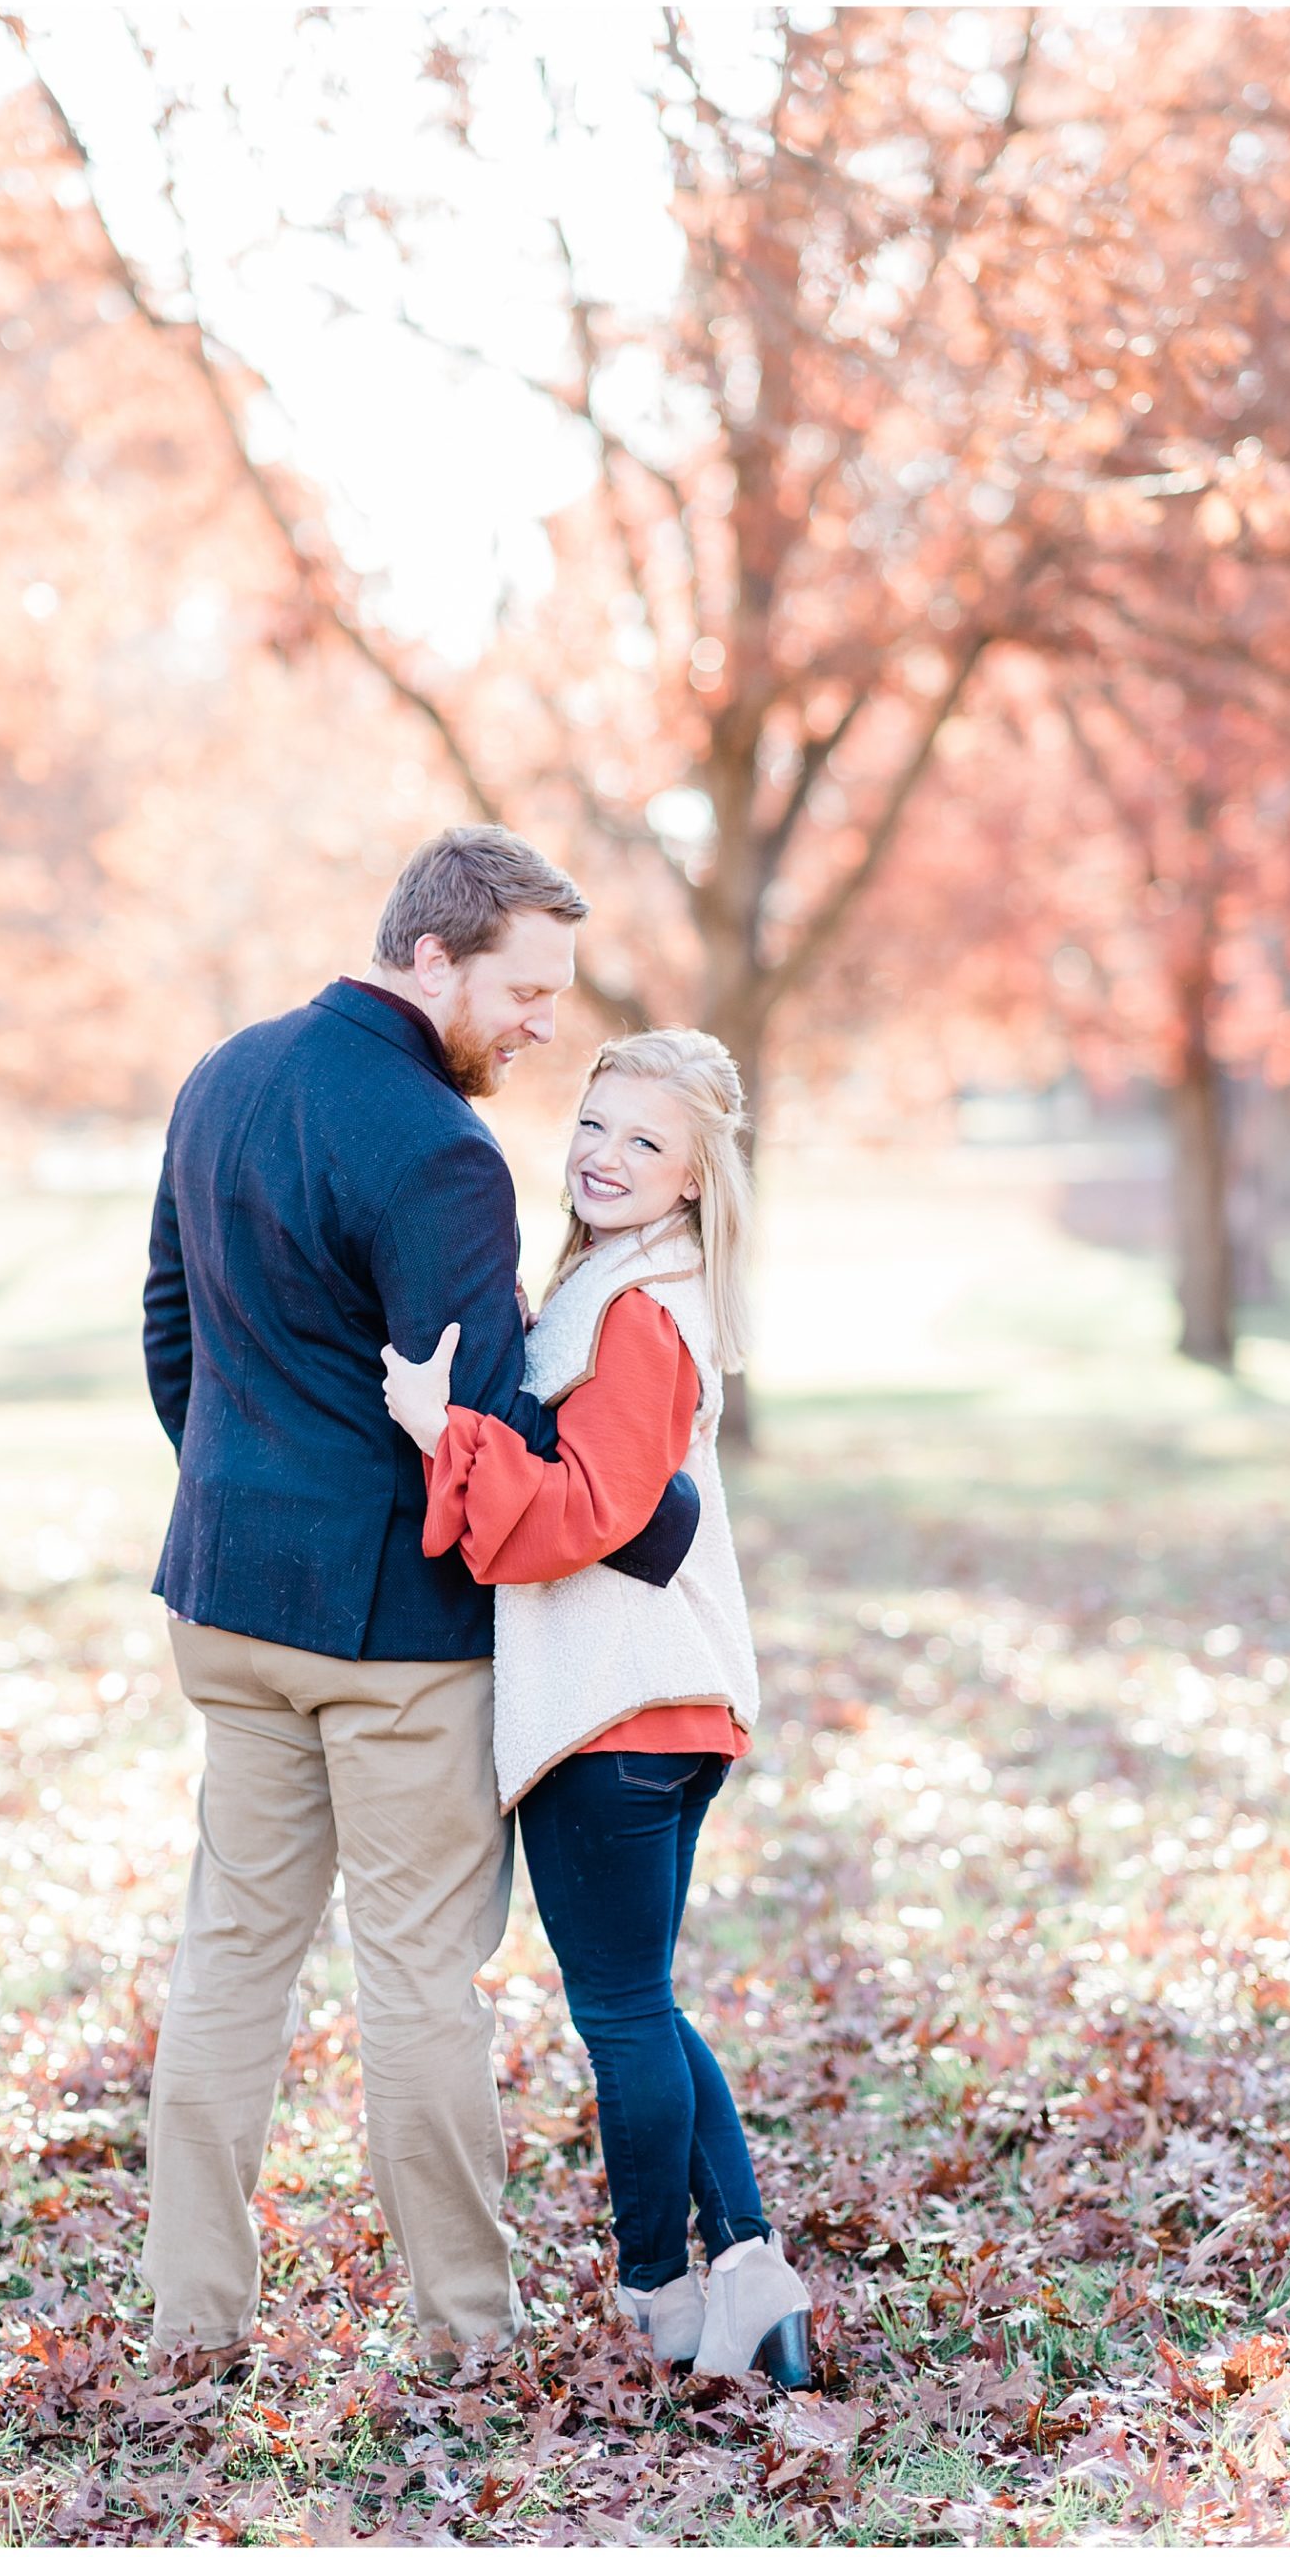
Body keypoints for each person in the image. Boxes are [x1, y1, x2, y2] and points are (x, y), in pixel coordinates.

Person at [139, 825, 699, 2372]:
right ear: (432, 954)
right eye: (523, 989)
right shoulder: (441, 1151)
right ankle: (464, 2332)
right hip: (393, 1639)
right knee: (418, 1981)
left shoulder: (222, 1078)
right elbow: (491, 1433)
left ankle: (193, 2319)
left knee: (232, 1955)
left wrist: (252, 1499)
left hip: (228, 1608)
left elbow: (170, 1335)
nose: (541, 1024)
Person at [380, 1028, 813, 2384]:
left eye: (645, 1143)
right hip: (656, 1710)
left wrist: (437, 1430)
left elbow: (588, 1512)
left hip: (621, 1716)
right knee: (649, 2005)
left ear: (691, 1180)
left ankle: (660, 2299)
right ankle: (750, 2277)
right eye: (594, 1126)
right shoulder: (611, 1283)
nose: (606, 1158)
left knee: (621, 2016)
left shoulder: (639, 1308)